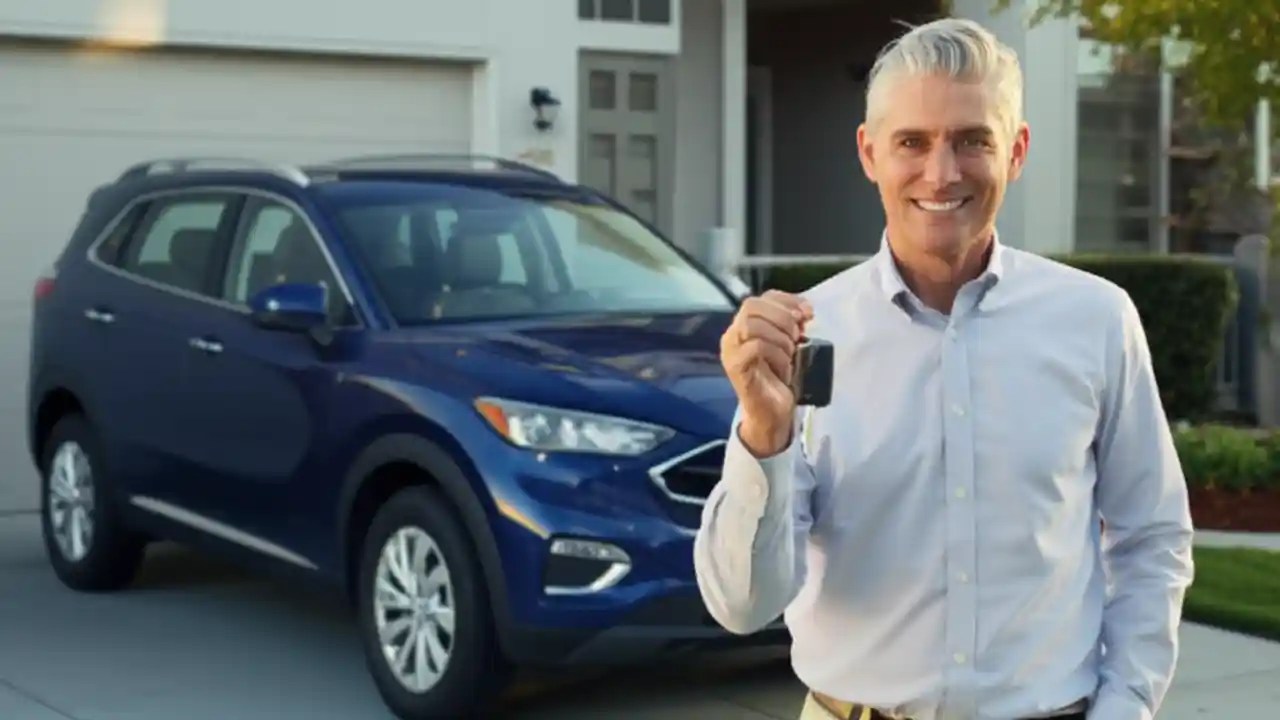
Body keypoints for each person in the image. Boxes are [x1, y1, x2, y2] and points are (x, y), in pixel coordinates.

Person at [693, 17, 1194, 720]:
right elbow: (742, 605)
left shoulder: (1096, 320)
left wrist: (1125, 705)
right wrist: (764, 434)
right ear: (869, 153)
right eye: (913, 142)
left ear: (1016, 151)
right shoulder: (805, 336)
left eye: (971, 140)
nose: (942, 173)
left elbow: (1152, 535)